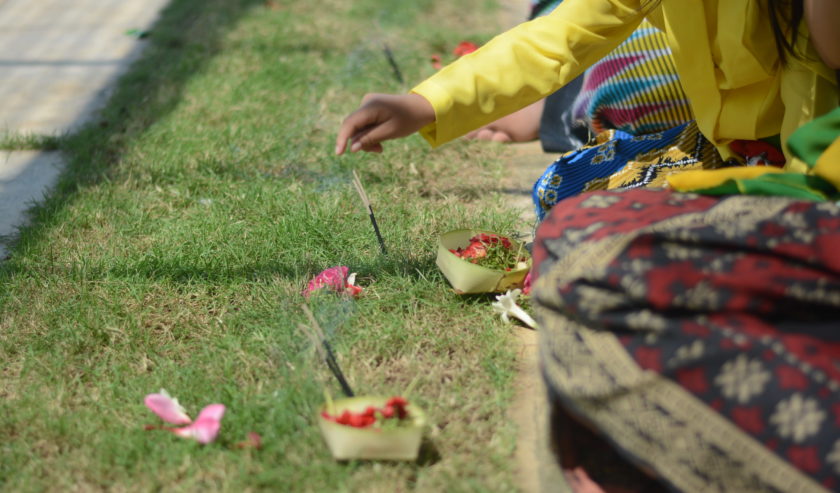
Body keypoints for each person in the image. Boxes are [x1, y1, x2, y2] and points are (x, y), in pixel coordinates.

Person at [335, 0, 840, 490]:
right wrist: (426, 103)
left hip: (799, 182)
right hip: (728, 154)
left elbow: (814, 144)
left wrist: (733, 197)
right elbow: (560, 36)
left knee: (589, 246)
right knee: (564, 192)